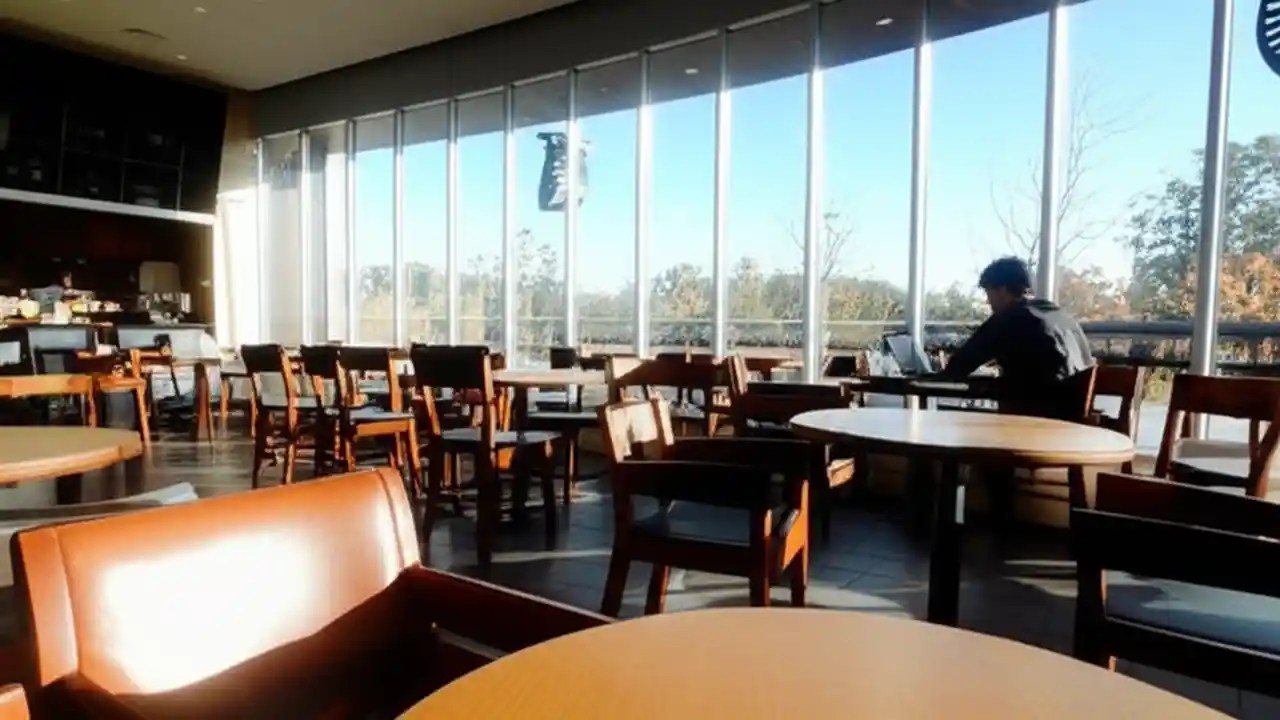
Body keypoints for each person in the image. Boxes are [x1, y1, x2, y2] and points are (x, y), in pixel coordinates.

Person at [937, 256, 1093, 421]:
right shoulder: (1060, 316)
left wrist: (933, 376)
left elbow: (961, 365)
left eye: (989, 292)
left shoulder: (1010, 317)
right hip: (1074, 421)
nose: (988, 301)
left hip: (1036, 422)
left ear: (1002, 290)